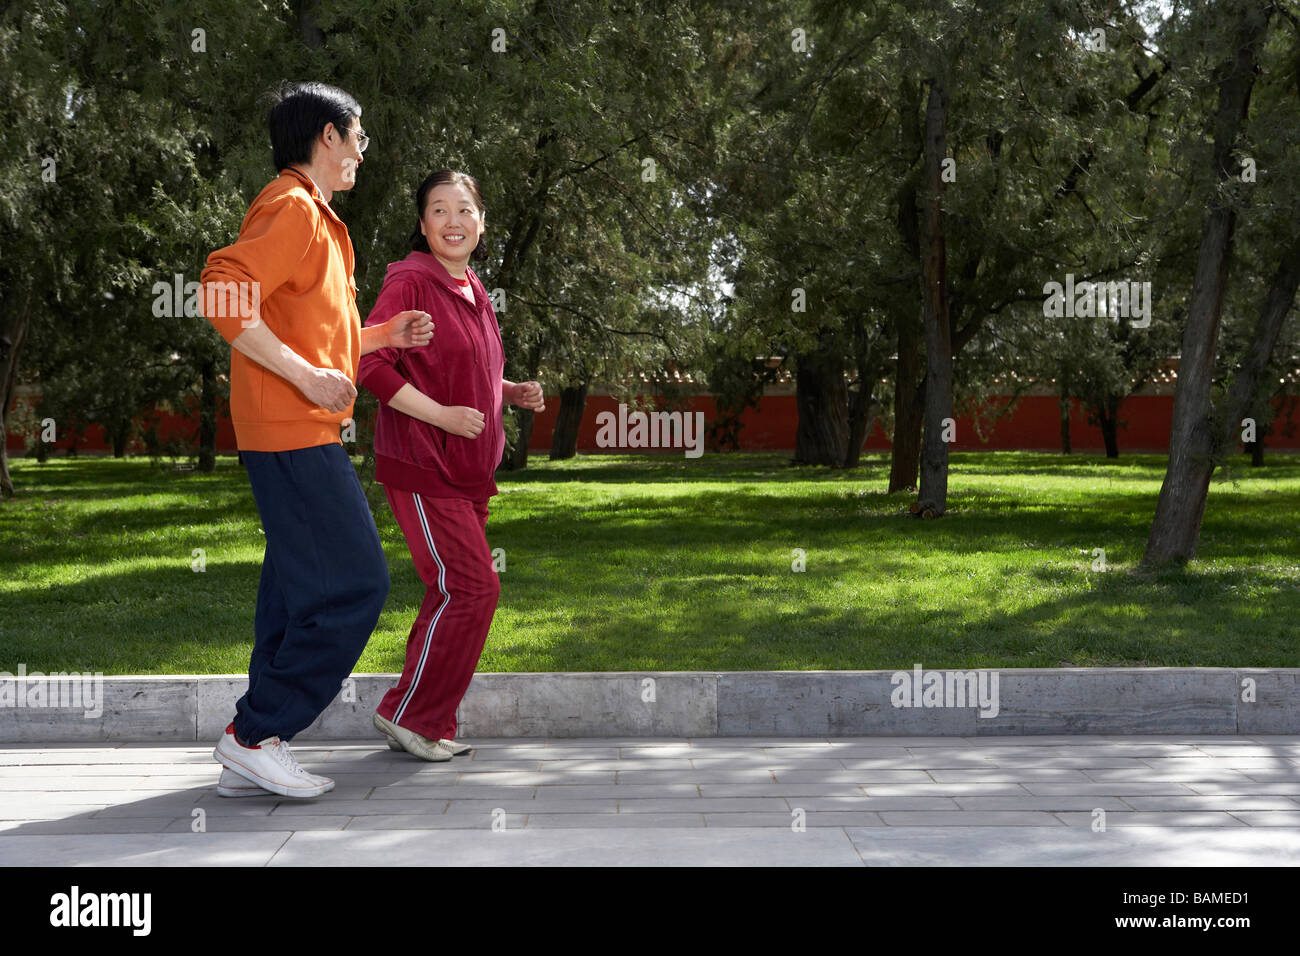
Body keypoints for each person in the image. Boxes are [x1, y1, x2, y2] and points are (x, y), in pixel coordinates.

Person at [198, 82, 433, 797]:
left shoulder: (318, 222)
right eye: (357, 136)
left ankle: (253, 744)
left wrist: (381, 337)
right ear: (325, 138)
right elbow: (220, 290)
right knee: (358, 581)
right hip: (292, 433)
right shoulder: (294, 208)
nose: (363, 150)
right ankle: (255, 732)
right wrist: (304, 376)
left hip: (295, 427)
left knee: (294, 591)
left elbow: (313, 337)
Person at [357, 169, 544, 761]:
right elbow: (371, 365)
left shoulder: (473, 288)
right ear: (422, 225)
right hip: (423, 463)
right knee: (472, 586)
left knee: (451, 590)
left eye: (464, 209)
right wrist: (440, 416)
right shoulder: (411, 281)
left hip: (469, 470)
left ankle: (415, 717)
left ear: (481, 221)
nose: (453, 221)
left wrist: (508, 391)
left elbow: (466, 367)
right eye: (438, 211)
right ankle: (414, 716)